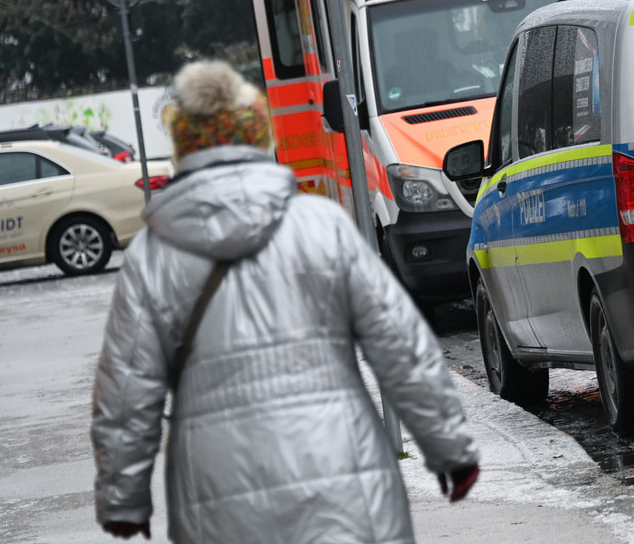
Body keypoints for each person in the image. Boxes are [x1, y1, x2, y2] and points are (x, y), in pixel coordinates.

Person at [90, 60, 479, 542]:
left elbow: (126, 390)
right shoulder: (321, 224)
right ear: (258, 134)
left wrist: (122, 497)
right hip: (340, 466)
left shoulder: (154, 255)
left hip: (219, 490)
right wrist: (450, 447)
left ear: (184, 147)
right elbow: (398, 343)